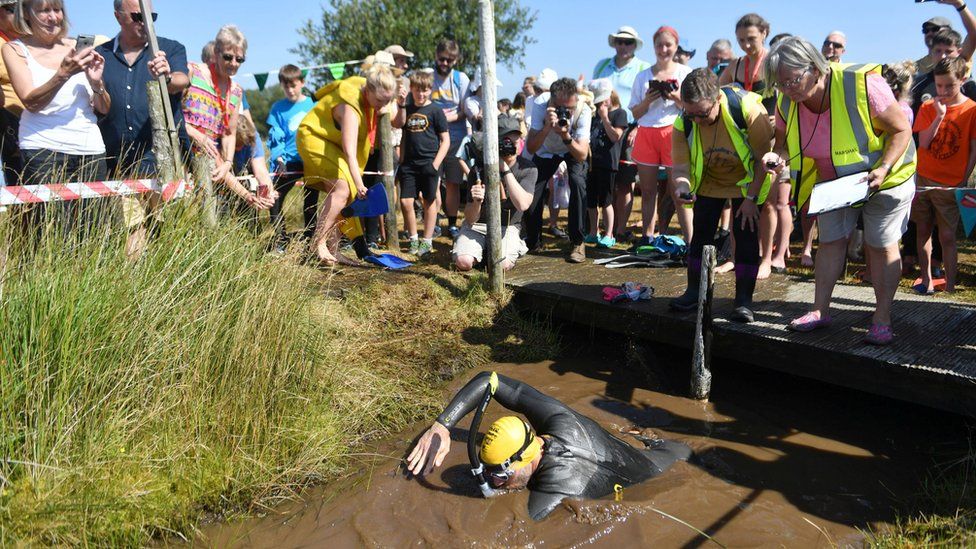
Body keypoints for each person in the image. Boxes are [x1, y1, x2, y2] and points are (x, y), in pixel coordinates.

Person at [763, 37, 916, 345]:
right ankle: (820, 310)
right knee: (831, 241)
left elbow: (901, 129)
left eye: (793, 80)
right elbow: (781, 142)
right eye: (781, 85)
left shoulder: (862, 84)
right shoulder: (786, 101)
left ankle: (882, 318)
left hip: (886, 176)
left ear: (815, 67)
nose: (789, 90)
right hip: (835, 183)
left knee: (880, 243)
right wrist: (775, 157)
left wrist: (884, 167)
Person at [405, 371, 691, 521]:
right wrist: (442, 425)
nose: (493, 481)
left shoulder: (561, 485)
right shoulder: (557, 419)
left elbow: (530, 527)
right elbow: (490, 380)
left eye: (500, 476)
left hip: (671, 468)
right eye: (488, 473)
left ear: (526, 455)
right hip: (658, 452)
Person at [669, 68, 773, 323]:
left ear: (717, 99)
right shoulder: (684, 122)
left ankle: (744, 301)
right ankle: (695, 292)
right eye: (690, 114)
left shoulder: (747, 109)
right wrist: (682, 187)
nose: (697, 121)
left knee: (746, 237)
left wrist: (751, 200)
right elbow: (681, 168)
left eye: (703, 114)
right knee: (701, 237)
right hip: (709, 183)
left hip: (747, 184)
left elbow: (764, 161)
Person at [3, 0, 111, 229]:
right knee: (51, 231)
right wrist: (62, 74)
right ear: (27, 14)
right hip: (43, 151)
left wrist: (97, 83)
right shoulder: (14, 49)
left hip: (90, 150)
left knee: (95, 229)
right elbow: (31, 102)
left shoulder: (77, 47)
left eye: (57, 9)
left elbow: (103, 107)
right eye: (44, 10)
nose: (53, 17)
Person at [97, 0, 189, 256]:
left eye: (151, 16)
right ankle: (134, 286)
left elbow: (182, 80)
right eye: (138, 16)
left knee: (167, 226)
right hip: (118, 161)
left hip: (162, 159)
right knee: (132, 228)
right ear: (118, 17)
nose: (145, 23)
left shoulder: (169, 49)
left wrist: (166, 76)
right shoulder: (101, 54)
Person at [297, 64, 397, 266]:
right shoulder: (350, 109)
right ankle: (317, 243)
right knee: (343, 188)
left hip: (330, 142)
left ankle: (334, 250)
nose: (382, 106)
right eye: (379, 101)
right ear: (368, 91)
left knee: (344, 193)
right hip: (313, 137)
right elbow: (350, 152)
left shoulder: (366, 86)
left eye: (387, 101)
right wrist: (359, 185)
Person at [912, 56, 975, 294]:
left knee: (947, 235)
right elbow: (924, 143)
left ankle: (949, 286)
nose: (944, 90)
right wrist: (939, 115)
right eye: (939, 85)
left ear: (963, 79)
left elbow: (973, 148)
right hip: (923, 178)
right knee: (923, 230)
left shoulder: (971, 110)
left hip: (950, 183)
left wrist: (963, 178)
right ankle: (926, 279)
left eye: (949, 85)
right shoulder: (929, 107)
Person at [630, 26, 692, 242]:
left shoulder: (685, 73)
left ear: (676, 47)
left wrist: (675, 97)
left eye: (668, 45)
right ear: (654, 47)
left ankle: (691, 241)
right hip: (647, 131)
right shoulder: (642, 76)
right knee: (647, 191)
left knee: (679, 192)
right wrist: (648, 99)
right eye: (659, 45)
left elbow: (694, 107)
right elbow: (635, 113)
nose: (663, 49)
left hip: (673, 131)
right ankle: (647, 236)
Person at [453, 116, 536, 271]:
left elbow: (523, 204)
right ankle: (478, 250)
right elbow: (470, 218)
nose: (510, 145)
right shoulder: (478, 170)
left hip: (508, 226)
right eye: (506, 140)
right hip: (477, 226)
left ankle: (495, 250)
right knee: (463, 262)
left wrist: (504, 169)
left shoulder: (528, 169)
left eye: (515, 140)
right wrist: (477, 201)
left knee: (502, 265)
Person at [525, 77, 592, 263]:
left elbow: (582, 155)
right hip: (545, 150)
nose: (566, 113)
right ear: (551, 101)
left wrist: (565, 135)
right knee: (533, 188)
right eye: (561, 108)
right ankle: (533, 240)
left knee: (578, 183)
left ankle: (578, 242)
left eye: (569, 108)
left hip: (572, 148)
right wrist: (547, 126)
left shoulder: (583, 110)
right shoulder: (540, 104)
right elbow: (531, 147)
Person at [182, 25, 246, 195]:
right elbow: (170, 111)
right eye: (228, 57)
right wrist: (193, 133)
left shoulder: (236, 91)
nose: (233, 64)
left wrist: (227, 163)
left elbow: (229, 132)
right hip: (179, 156)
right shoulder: (192, 72)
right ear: (216, 52)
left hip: (207, 164)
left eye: (239, 59)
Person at [394, 69, 449, 258]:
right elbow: (397, 125)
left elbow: (445, 140)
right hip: (409, 164)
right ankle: (413, 237)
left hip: (429, 162)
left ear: (430, 90)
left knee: (429, 201)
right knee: (406, 201)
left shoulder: (436, 110)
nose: (421, 94)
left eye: (424, 90)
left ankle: (427, 240)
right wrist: (401, 105)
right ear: (412, 89)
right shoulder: (407, 107)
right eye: (417, 90)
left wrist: (435, 164)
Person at [266, 64, 316, 249]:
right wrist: (278, 158)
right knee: (276, 197)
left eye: (293, 85)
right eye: (286, 86)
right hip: (287, 161)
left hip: (310, 159)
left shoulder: (312, 104)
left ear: (302, 82)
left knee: (310, 200)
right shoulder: (278, 108)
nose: (290, 89)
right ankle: (280, 239)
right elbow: (275, 135)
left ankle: (312, 240)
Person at [430, 38, 470, 239]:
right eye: (442, 59)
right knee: (433, 181)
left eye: (450, 60)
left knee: (453, 183)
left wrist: (448, 118)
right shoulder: (428, 77)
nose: (445, 63)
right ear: (436, 56)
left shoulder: (461, 79)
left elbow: (465, 111)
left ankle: (453, 224)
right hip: (432, 139)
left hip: (456, 138)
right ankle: (434, 222)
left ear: (455, 60)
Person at [585, 79, 626, 248]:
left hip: (608, 164)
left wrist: (605, 118)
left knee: (606, 201)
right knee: (591, 202)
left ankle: (609, 234)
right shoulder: (592, 114)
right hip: (590, 164)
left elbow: (615, 136)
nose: (602, 103)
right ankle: (593, 232)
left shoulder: (619, 114)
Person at [593, 25, 651, 124]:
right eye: (619, 42)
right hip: (600, 124)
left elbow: (649, 103)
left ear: (635, 45)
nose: (623, 46)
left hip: (630, 127)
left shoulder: (644, 68)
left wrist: (637, 127)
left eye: (628, 42)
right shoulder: (601, 65)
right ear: (615, 44)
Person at [915, 1, 976, 76]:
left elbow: (974, 33)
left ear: (948, 31)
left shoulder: (957, 56)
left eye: (935, 29)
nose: (929, 33)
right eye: (926, 30)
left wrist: (959, 4)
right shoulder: (916, 66)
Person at [0, 0, 23, 186]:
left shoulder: (29, 42)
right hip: (11, 129)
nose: (21, 15)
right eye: (14, 9)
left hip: (40, 128)